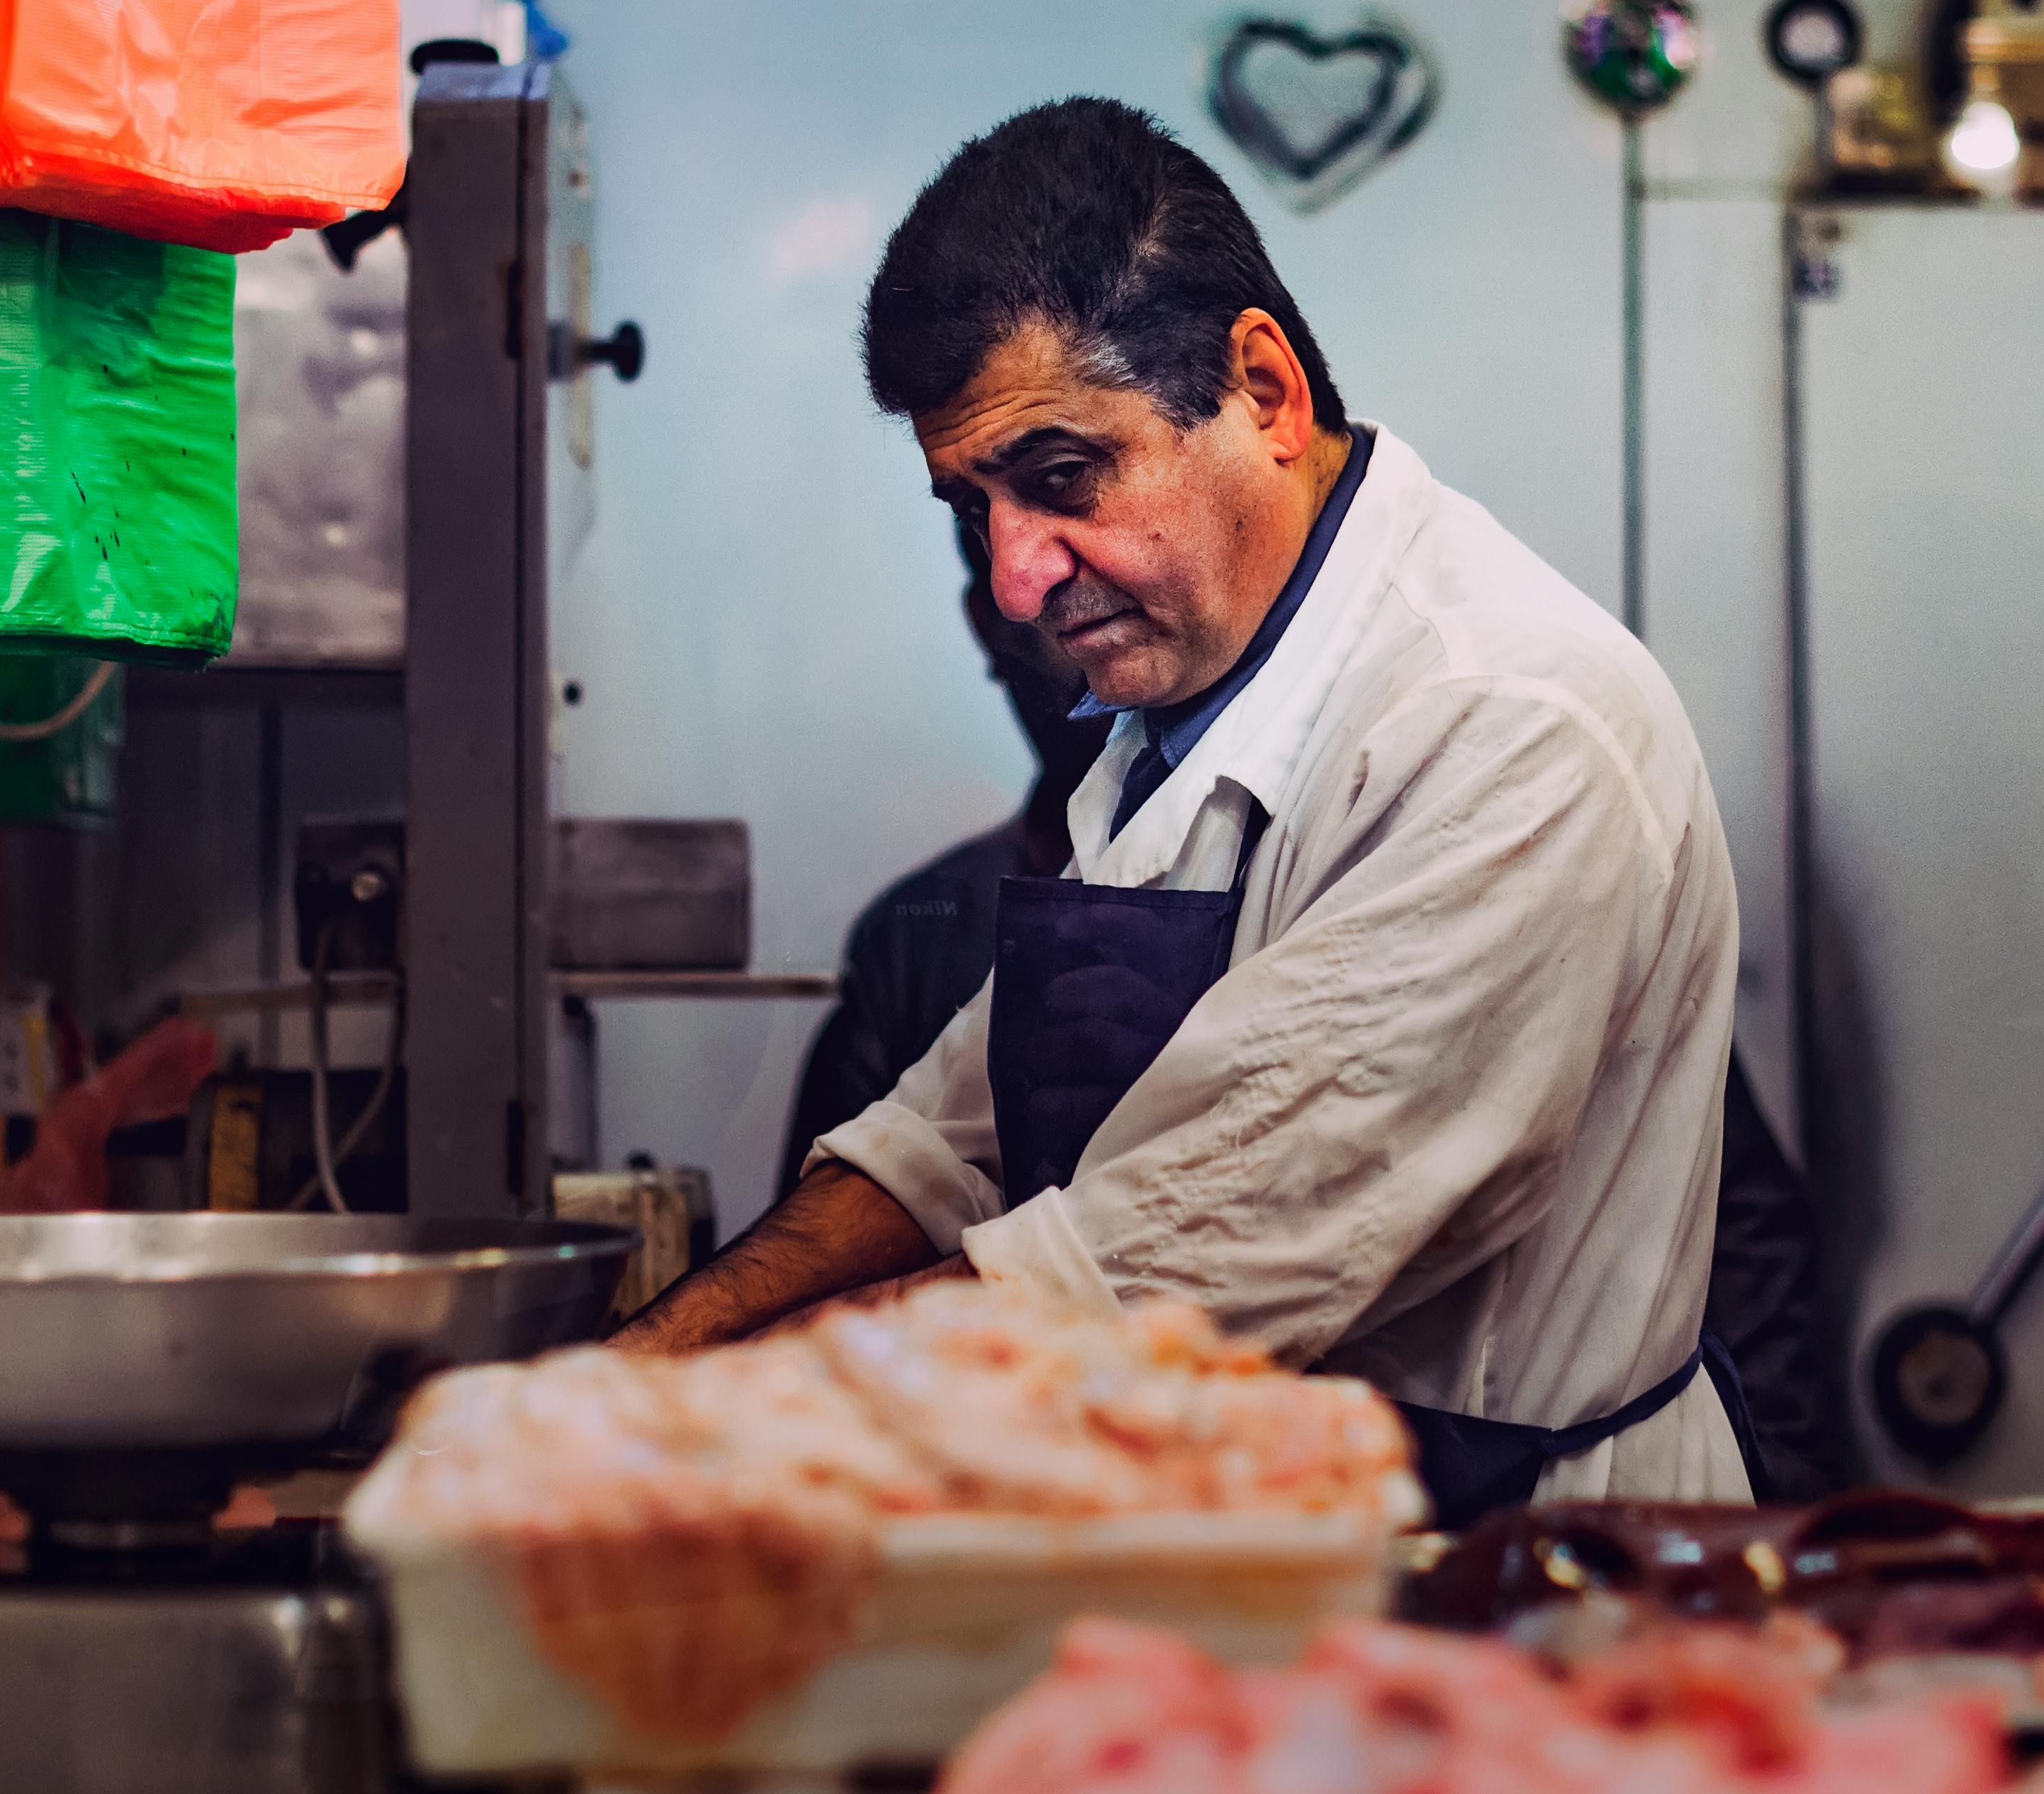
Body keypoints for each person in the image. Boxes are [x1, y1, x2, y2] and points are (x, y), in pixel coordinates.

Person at [621, 99, 1758, 1521]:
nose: (1013, 581)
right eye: (972, 510)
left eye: (1058, 479)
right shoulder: (1194, 695)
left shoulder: (1508, 724)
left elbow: (1153, 1271)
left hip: (1508, 1580)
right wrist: (637, 1366)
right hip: (1255, 1546)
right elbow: (951, 1144)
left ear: (1263, 396)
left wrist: (671, 1446)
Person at [770, 518, 1851, 1501]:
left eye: (1065, 488)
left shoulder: (1491, 754)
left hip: (1516, 1542)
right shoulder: (929, 930)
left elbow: (1733, 1216)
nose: (1035, 586)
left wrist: (1782, 1503)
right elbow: (901, 1179)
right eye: (983, 526)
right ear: (980, 614)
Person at [775, 522, 1111, 1184]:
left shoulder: (1284, 865)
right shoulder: (914, 939)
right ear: (984, 623)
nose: (1094, 635)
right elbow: (825, 1235)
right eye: (1050, 591)